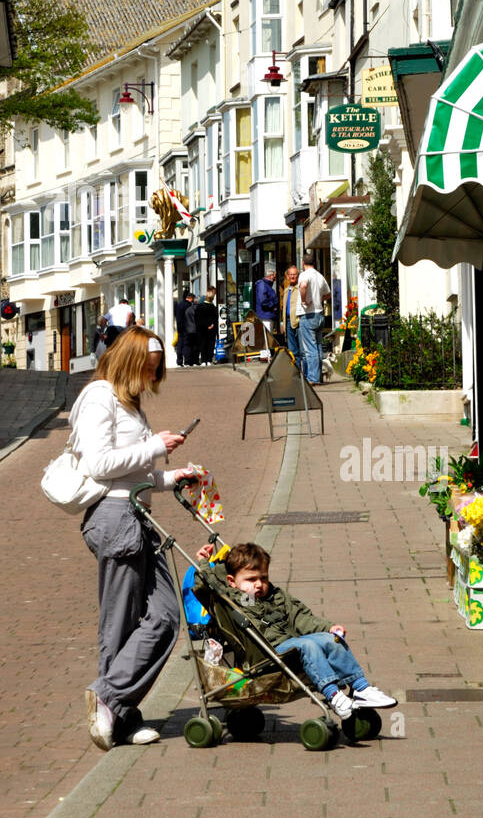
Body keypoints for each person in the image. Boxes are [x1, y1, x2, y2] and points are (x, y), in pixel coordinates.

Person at [71, 327, 195, 749]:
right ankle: (117, 713)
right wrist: (154, 447)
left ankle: (112, 701)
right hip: (115, 516)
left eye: (155, 370)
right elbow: (98, 463)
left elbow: (136, 472)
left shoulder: (130, 403)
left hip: (138, 511)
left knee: (164, 617)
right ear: (128, 360)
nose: (150, 377)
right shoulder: (98, 398)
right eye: (147, 367)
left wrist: (172, 476)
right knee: (120, 621)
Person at [223, 542, 397, 717]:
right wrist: (204, 563)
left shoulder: (275, 596)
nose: (259, 585)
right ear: (232, 582)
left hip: (290, 643)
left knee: (331, 639)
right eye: (251, 580)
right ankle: (333, 695)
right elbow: (205, 582)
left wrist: (328, 627)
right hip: (268, 651)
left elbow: (300, 617)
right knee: (307, 645)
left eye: (264, 578)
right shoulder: (238, 602)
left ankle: (361, 688)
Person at [297, 251, 331, 386]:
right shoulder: (319, 276)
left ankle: (312, 378)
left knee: (310, 348)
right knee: (317, 347)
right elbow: (328, 295)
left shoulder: (304, 275)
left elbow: (303, 286)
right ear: (314, 263)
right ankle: (318, 376)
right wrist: (318, 299)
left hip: (308, 314)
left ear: (303, 263)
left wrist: (304, 301)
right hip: (319, 314)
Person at [278, 266, 301, 373]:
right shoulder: (286, 290)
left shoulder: (300, 288)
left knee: (301, 349)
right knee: (292, 350)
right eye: (290, 274)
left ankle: (302, 372)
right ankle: (295, 372)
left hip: (298, 321)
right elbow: (284, 308)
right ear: (287, 276)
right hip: (288, 321)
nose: (292, 276)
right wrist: (283, 323)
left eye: (294, 274)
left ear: (298, 276)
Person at [194, 287, 219, 367]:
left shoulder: (199, 307)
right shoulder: (213, 307)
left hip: (201, 330)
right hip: (211, 330)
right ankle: (209, 360)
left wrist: (204, 326)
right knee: (210, 345)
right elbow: (215, 319)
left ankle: (203, 360)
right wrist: (211, 326)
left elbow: (197, 319)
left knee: (203, 344)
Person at [253, 267, 278, 346]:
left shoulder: (266, 285)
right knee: (265, 338)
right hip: (265, 317)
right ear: (271, 275)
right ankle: (264, 356)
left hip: (267, 316)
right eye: (274, 275)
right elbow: (263, 301)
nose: (275, 278)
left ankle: (266, 355)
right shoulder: (262, 285)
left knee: (266, 338)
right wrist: (273, 305)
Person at [173, 290, 197, 366]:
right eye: (193, 298)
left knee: (180, 345)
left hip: (179, 327)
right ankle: (187, 361)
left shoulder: (179, 305)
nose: (193, 300)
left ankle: (179, 362)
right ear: (190, 298)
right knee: (187, 345)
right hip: (187, 328)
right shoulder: (189, 306)